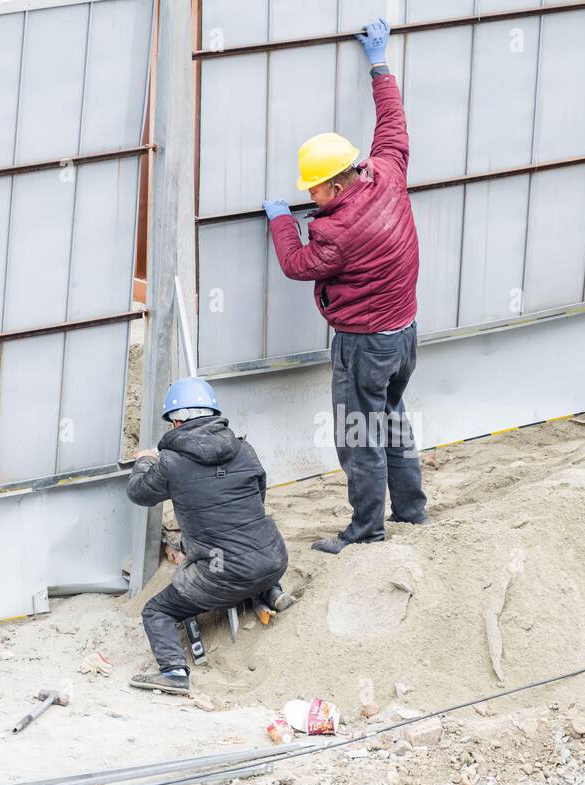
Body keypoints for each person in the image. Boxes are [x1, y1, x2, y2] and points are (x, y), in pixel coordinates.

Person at [262, 17, 427, 556]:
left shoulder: (335, 232)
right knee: (391, 417)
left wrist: (281, 222)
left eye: (313, 189)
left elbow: (297, 264)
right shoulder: (387, 171)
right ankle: (412, 510)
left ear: (336, 184)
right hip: (404, 335)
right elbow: (394, 123)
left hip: (365, 344)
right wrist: (379, 64)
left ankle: (366, 530)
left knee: (359, 435)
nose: (308, 195)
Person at [126, 377, 292, 695]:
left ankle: (174, 672)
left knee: (157, 611)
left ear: (176, 422)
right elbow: (258, 499)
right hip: (273, 558)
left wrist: (146, 460)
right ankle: (271, 592)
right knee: (246, 552)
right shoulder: (245, 449)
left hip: (223, 575)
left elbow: (139, 492)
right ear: (214, 414)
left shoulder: (171, 462)